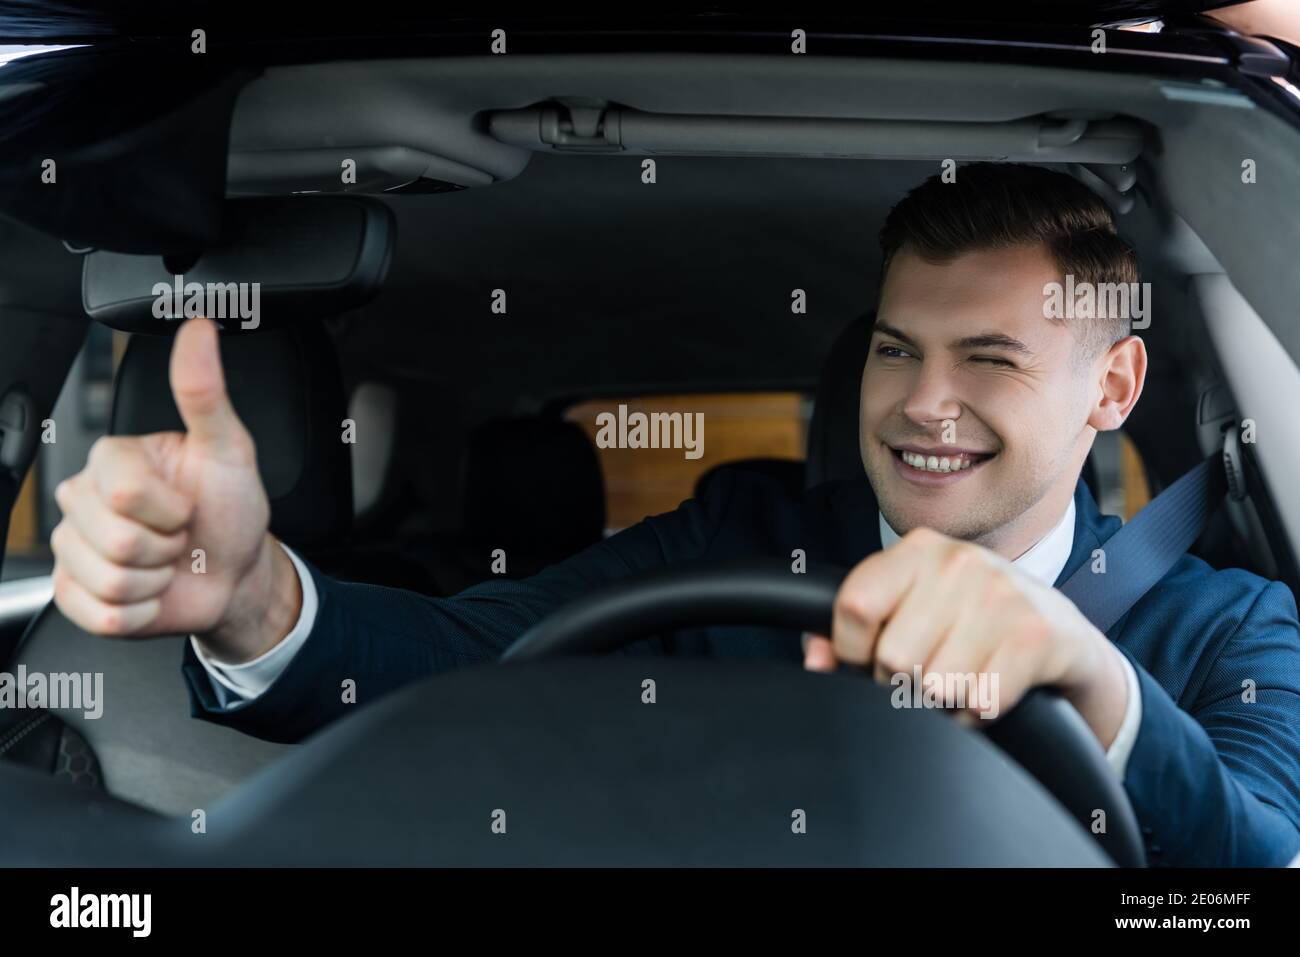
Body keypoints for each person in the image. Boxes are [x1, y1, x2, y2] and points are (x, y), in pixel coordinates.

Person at [49, 163, 1300, 866]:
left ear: (1113, 387)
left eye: (989, 359)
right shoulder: (740, 535)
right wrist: (257, 591)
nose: (923, 406)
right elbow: (466, 657)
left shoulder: (1229, 630)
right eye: (892, 350)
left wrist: (1095, 685)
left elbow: (1255, 867)